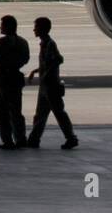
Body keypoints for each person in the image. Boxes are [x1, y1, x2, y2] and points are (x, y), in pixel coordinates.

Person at [26, 17, 78, 150]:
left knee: (57, 113)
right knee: (41, 114)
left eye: (36, 27)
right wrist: (36, 71)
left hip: (51, 86)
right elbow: (48, 63)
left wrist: (45, 74)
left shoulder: (49, 44)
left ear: (43, 29)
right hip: (45, 86)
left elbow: (58, 60)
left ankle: (71, 138)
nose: (34, 29)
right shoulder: (45, 43)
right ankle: (34, 139)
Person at [0, 15, 29, 149]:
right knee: (16, 111)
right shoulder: (23, 42)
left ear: (7, 27)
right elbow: (26, 59)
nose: (0, 27)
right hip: (16, 77)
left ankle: (7, 140)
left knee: (2, 112)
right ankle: (20, 138)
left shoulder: (2, 42)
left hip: (2, 78)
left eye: (2, 25)